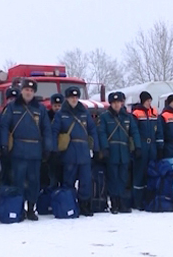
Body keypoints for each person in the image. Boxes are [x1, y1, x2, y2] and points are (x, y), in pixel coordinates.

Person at [0, 79, 52, 220]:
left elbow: (47, 129)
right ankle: (19, 208)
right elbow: (4, 126)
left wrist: (48, 147)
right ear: (21, 91)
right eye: (26, 90)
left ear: (34, 92)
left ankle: (31, 209)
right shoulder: (12, 107)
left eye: (31, 90)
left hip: (35, 151)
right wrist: (4, 144)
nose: (28, 92)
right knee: (18, 181)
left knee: (34, 182)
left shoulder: (40, 109)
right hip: (18, 151)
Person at [52, 86, 100, 216]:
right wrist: (54, 149)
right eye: (71, 97)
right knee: (68, 182)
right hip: (69, 153)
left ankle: (85, 206)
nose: (74, 99)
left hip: (84, 152)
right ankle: (69, 205)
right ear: (67, 98)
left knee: (86, 181)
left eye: (76, 97)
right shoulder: (60, 114)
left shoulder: (84, 113)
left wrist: (96, 148)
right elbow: (54, 132)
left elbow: (92, 130)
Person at [98, 92, 141, 214]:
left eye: (119, 102)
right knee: (113, 178)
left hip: (124, 152)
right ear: (110, 104)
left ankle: (122, 203)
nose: (117, 105)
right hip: (112, 152)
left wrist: (138, 147)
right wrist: (104, 148)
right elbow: (102, 133)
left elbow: (134, 132)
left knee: (123, 178)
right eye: (114, 103)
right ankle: (114, 203)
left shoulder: (127, 117)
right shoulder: (104, 117)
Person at [131, 91, 164, 210]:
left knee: (152, 172)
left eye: (150, 101)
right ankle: (137, 201)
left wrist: (160, 146)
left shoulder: (155, 112)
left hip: (153, 145)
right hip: (143, 144)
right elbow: (134, 132)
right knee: (139, 173)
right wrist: (137, 147)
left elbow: (159, 129)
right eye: (147, 101)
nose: (149, 103)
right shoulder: (136, 113)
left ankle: (149, 198)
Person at [0, 87, 20, 185]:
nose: (12, 101)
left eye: (15, 99)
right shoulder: (0, 115)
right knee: (5, 176)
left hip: (19, 150)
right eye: (10, 99)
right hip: (5, 150)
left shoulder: (22, 114)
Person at [47, 93, 64, 188]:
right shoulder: (47, 116)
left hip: (64, 151)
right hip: (51, 152)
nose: (57, 108)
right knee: (52, 178)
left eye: (59, 106)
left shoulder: (66, 116)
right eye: (55, 105)